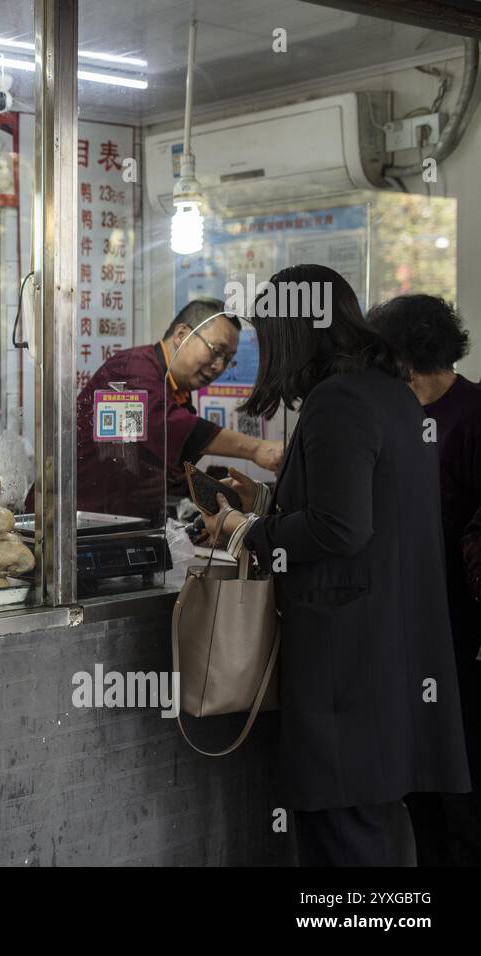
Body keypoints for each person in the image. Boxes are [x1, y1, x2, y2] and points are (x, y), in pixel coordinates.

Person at [201, 265, 471, 866]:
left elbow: (340, 528)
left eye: (269, 336)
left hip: (346, 662)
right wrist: (270, 503)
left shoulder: (338, 401)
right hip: (383, 652)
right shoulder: (389, 393)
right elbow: (359, 511)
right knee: (364, 832)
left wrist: (246, 530)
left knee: (342, 838)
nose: (265, 352)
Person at [367, 293, 481, 865]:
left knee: (462, 789)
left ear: (405, 357)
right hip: (405, 630)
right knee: (421, 788)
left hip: (463, 635)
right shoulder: (394, 417)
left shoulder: (475, 413)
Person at [76, 298, 282, 523]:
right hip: (76, 521)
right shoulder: (130, 369)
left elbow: (155, 459)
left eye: (228, 360)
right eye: (216, 351)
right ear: (181, 335)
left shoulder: (175, 390)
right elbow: (166, 426)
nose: (219, 367)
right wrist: (257, 449)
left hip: (119, 520)